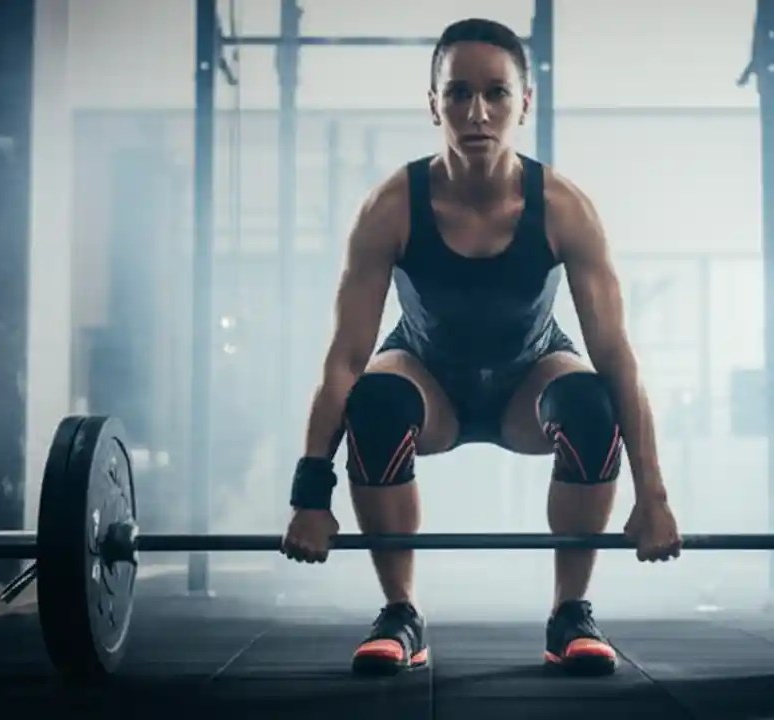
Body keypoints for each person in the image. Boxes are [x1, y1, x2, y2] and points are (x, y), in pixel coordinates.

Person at [280, 17, 682, 677]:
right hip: (426, 376)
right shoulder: (391, 207)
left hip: (530, 377)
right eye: (458, 92)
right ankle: (401, 614)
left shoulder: (564, 208)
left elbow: (616, 355)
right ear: (432, 102)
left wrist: (653, 495)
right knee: (373, 399)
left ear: (524, 103)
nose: (477, 112)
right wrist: (310, 495)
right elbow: (345, 360)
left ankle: (570, 614)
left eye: (496, 93)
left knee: (591, 401)